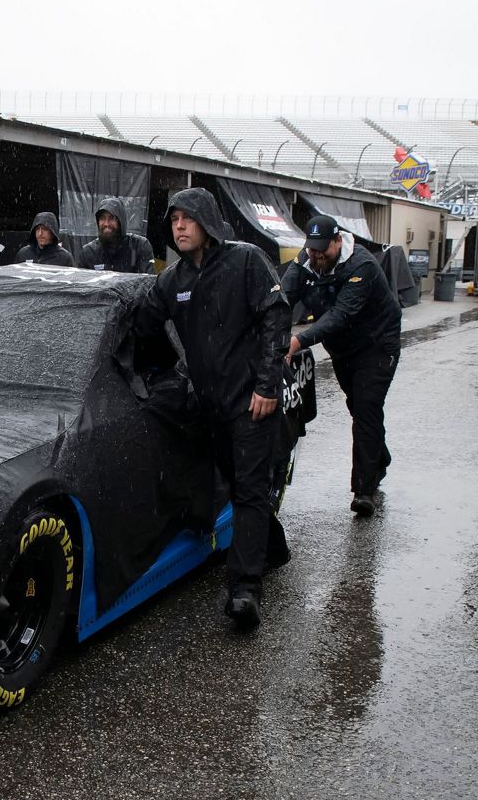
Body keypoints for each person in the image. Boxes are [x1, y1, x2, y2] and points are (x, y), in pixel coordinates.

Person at [134, 188, 291, 629]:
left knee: (250, 489)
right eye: (174, 220)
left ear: (207, 221)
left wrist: (267, 385)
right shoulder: (173, 280)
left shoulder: (246, 261)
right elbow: (144, 324)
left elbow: (277, 317)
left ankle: (244, 590)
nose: (179, 226)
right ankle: (270, 549)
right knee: (245, 488)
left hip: (252, 402)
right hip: (211, 406)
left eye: (188, 218)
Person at [282, 214, 402, 516]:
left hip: (377, 346)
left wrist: (297, 342)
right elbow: (283, 298)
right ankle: (379, 458)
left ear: (338, 241)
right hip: (344, 350)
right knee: (359, 409)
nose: (317, 255)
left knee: (366, 408)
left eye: (324, 249)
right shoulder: (306, 262)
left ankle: (364, 490)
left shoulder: (362, 266)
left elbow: (340, 315)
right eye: (312, 249)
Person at [77, 197, 155, 274]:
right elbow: (82, 285)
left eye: (112, 218)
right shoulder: (88, 252)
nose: (106, 224)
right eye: (102, 218)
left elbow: (147, 282)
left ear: (121, 221)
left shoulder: (140, 246)